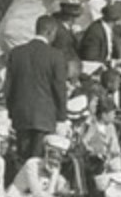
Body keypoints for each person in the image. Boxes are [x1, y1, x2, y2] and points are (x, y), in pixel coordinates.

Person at [4, 16, 71, 168]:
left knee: (23, 159)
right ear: (50, 31)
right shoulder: (56, 56)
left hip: (21, 114)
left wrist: (10, 112)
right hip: (45, 116)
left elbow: (9, 86)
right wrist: (62, 117)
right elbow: (59, 88)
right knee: (38, 162)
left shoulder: (17, 53)